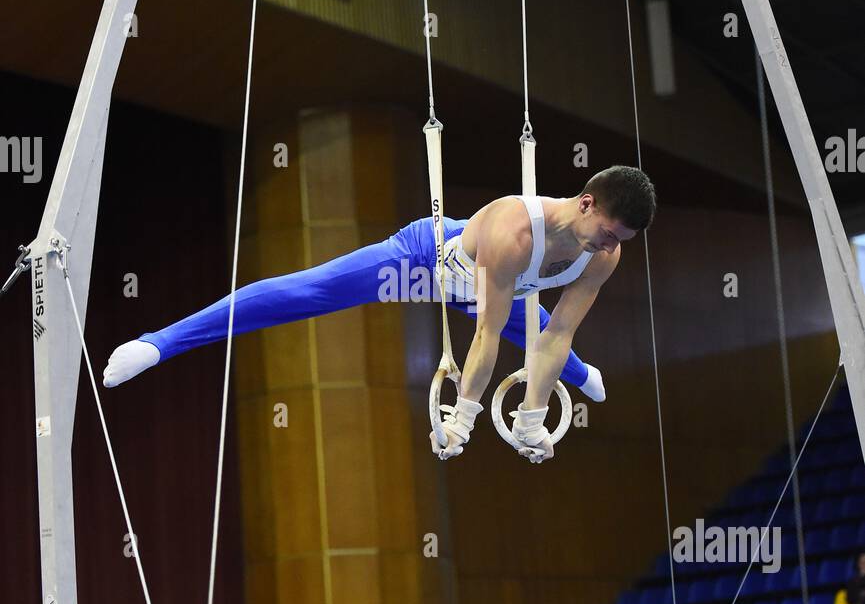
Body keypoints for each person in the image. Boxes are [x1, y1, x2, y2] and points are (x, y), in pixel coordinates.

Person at [103, 167, 656, 463]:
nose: (608, 245)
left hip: (498, 291)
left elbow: (558, 331)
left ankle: (584, 376)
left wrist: (533, 419)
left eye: (619, 239)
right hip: (420, 263)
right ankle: (161, 343)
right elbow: (489, 333)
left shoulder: (605, 254)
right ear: (587, 202)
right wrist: (463, 418)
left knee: (541, 333)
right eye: (608, 231)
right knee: (303, 293)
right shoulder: (516, 231)